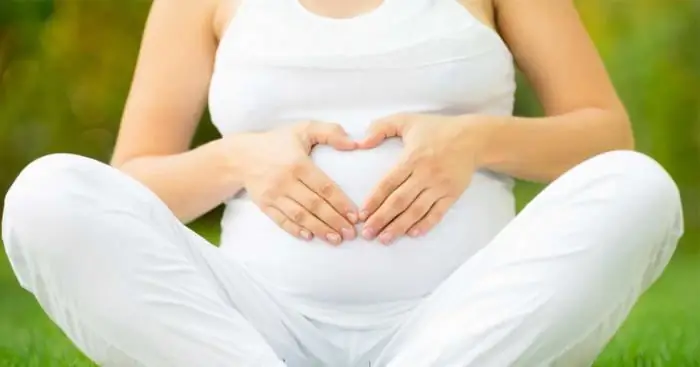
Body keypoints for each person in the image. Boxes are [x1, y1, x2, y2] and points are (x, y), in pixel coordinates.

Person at [1, 0, 684, 365]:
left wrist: (476, 140)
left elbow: (604, 135)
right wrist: (238, 159)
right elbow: (132, 189)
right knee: (46, 196)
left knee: (638, 188)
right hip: (258, 331)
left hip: (464, 320)